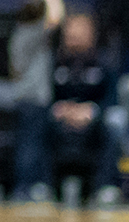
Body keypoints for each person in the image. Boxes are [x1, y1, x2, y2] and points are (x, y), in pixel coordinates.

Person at [45, 11, 121, 204]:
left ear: (91, 34)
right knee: (36, 119)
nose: (75, 35)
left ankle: (105, 187)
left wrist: (92, 111)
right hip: (60, 116)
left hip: (93, 117)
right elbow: (45, 96)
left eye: (80, 30)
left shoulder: (105, 62)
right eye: (71, 30)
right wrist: (59, 108)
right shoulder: (53, 62)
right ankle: (41, 185)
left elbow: (112, 98)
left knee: (116, 121)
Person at [8, 0, 63, 201]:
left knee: (30, 142)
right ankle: (25, 187)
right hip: (34, 97)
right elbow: (56, 19)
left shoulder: (19, 32)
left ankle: (31, 186)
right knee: (31, 145)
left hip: (24, 95)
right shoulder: (35, 32)